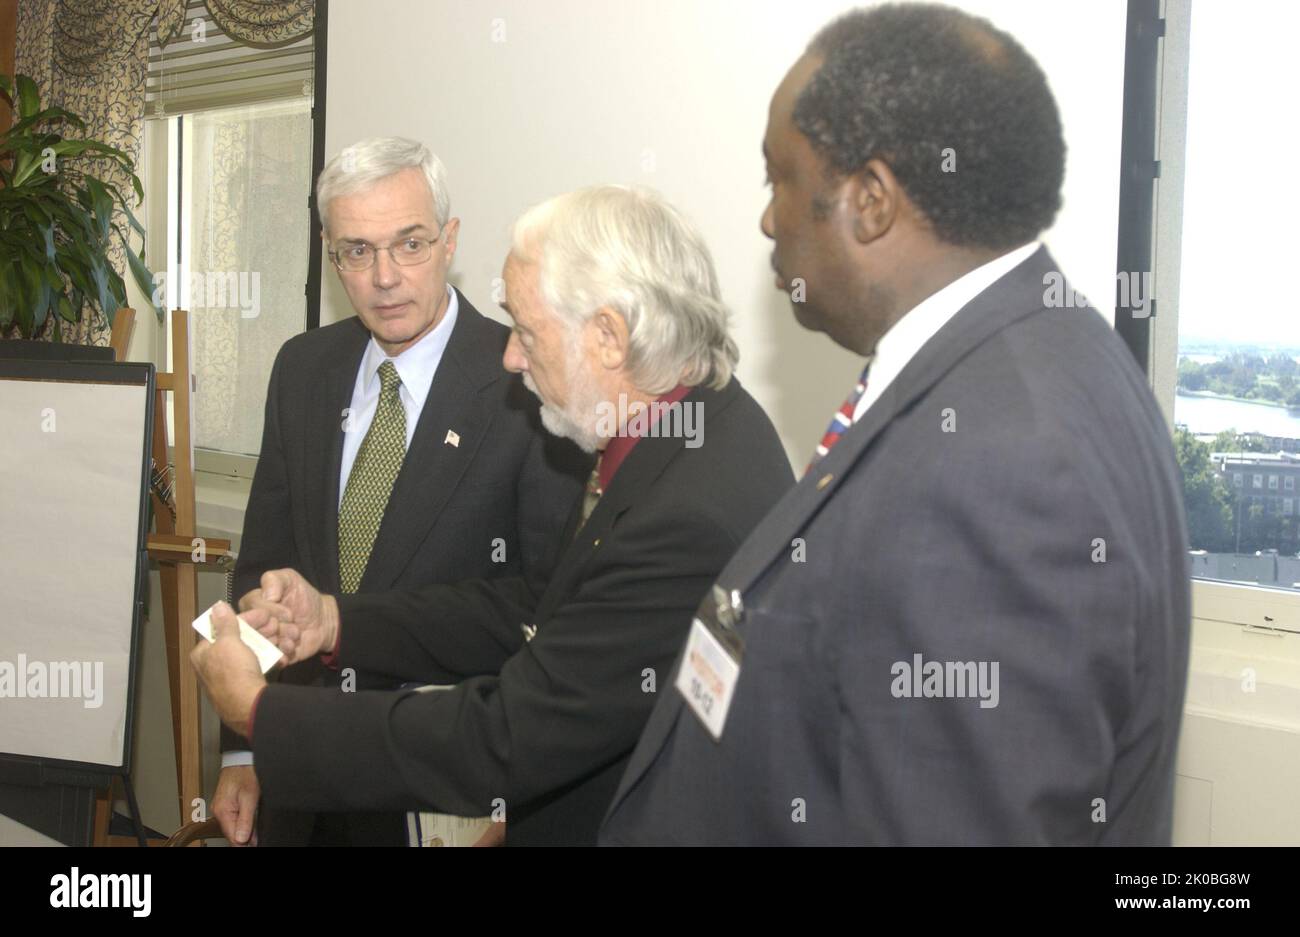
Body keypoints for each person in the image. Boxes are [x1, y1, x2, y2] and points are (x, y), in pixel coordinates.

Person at [601, 3, 1191, 845]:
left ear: (870, 201)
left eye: (781, 178)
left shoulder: (1002, 460)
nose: (769, 218)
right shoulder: (1032, 356)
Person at [192, 185, 795, 846]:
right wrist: (337, 620)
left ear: (610, 339)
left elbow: (504, 735)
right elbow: (550, 630)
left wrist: (262, 711)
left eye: (527, 332)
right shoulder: (699, 425)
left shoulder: (684, 515)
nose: (510, 357)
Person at [214, 136, 588, 846]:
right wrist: (244, 745)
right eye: (357, 250)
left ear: (450, 241)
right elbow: (258, 568)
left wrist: (516, 804)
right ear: (333, 258)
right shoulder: (302, 369)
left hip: (441, 798)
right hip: (298, 779)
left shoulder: (526, 380)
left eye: (409, 243)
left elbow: (539, 610)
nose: (384, 276)